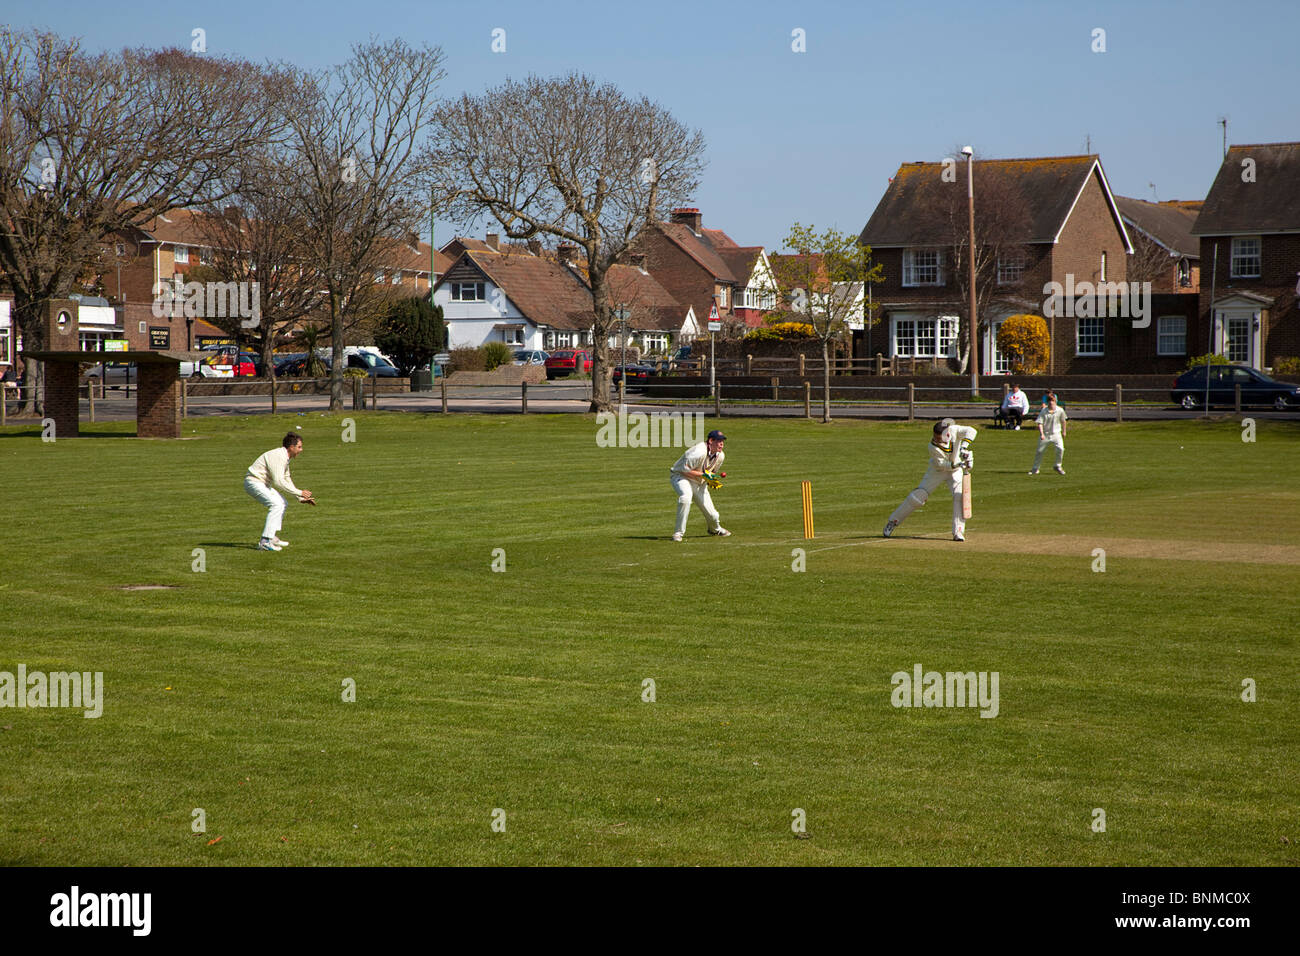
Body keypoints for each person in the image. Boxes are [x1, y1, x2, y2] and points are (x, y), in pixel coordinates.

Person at [883, 418, 976, 542]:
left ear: (947, 434)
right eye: (935, 437)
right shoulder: (932, 447)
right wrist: (961, 463)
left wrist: (964, 448)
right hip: (937, 471)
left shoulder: (954, 430)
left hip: (955, 471)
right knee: (918, 497)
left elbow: (972, 431)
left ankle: (958, 531)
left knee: (959, 496)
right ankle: (893, 521)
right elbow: (942, 465)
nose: (936, 440)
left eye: (939, 438)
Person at [245, 432, 313, 551]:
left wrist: (300, 497)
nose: (301, 450)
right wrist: (300, 492)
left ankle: (271, 537)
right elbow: (278, 481)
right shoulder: (279, 456)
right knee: (276, 505)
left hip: (262, 483)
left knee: (282, 503)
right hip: (254, 482)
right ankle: (265, 541)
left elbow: (287, 478)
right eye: (299, 447)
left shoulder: (285, 457)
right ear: (291, 447)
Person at [669, 429, 730, 541]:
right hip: (680, 476)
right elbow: (683, 470)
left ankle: (715, 529)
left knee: (713, 515)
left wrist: (711, 480)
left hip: (698, 481)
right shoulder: (698, 452)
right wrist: (704, 475)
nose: (722, 444)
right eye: (719, 441)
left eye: (723, 441)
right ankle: (678, 533)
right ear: (711, 441)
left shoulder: (720, 456)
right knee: (685, 498)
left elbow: (711, 472)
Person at [1029, 392, 1068, 475]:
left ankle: (1058, 466)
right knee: (1040, 451)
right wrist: (1042, 434)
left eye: (1052, 400)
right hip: (1046, 434)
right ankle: (1035, 468)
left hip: (1057, 434)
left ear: (1055, 401)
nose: (1051, 402)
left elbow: (1063, 421)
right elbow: (1040, 423)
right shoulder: (1044, 410)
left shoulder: (1060, 410)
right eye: (1049, 400)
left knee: (1060, 449)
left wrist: (1064, 431)